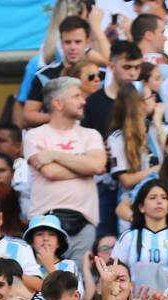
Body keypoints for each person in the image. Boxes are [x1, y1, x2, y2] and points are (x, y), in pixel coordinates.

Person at [23, 76, 105, 261]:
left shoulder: (91, 134)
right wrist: (85, 165)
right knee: (46, 281)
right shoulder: (35, 135)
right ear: (58, 103)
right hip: (44, 224)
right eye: (76, 96)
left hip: (84, 223)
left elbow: (98, 165)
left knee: (79, 284)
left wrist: (54, 155)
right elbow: (50, 172)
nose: (83, 101)